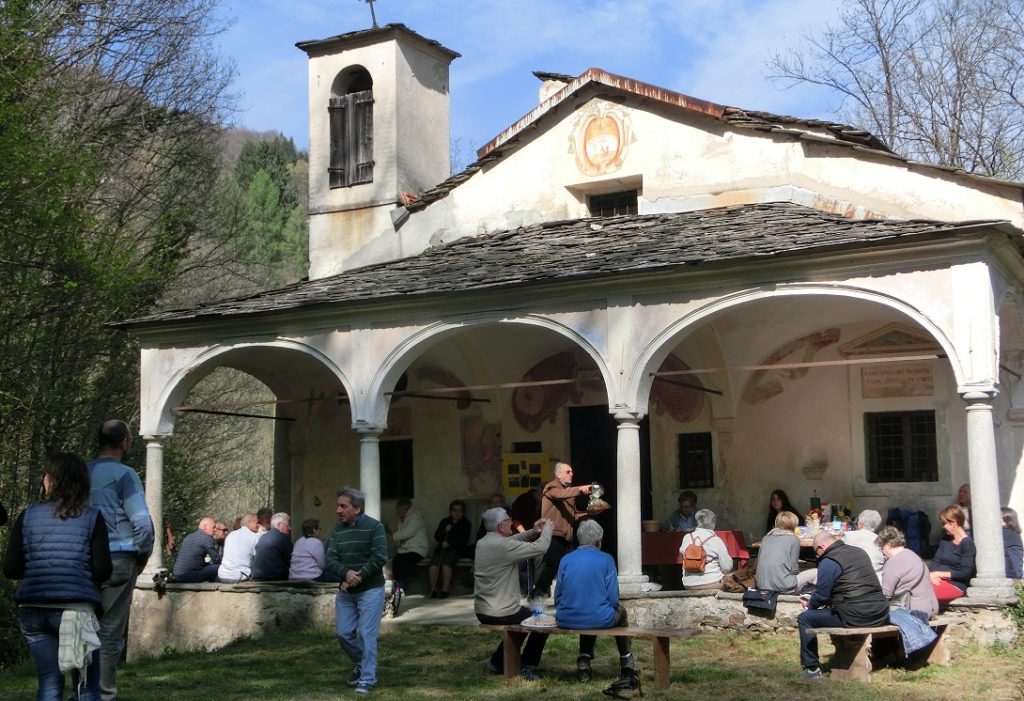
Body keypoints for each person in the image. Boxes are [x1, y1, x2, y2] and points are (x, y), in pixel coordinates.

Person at [3, 453, 112, 701]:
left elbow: (11, 569)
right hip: (77, 610)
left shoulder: (27, 515)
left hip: (34, 609)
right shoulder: (92, 517)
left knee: (49, 683)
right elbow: (103, 570)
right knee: (86, 685)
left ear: (50, 480)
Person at [87, 419, 154, 701]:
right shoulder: (125, 475)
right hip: (119, 559)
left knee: (82, 629)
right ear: (125, 442)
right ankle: (104, 694)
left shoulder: (81, 472)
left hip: (85, 561)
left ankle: (83, 691)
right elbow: (142, 524)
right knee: (110, 632)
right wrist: (142, 555)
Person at [554, 520, 640, 694]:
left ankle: (584, 663)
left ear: (579, 539)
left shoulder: (565, 559)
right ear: (599, 540)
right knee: (619, 612)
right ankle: (627, 662)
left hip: (566, 617)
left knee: (589, 613)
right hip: (597, 617)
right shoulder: (606, 559)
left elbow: (557, 595)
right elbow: (613, 598)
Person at [474, 507, 553, 681]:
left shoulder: (483, 542)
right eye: (508, 519)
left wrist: (533, 532)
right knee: (542, 622)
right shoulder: (503, 546)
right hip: (502, 612)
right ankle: (523, 664)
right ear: (501, 526)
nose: (511, 521)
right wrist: (548, 530)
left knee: (525, 618)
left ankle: (496, 662)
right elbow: (541, 548)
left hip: (482, 610)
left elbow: (512, 540)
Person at [797, 531, 889, 679]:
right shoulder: (859, 552)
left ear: (821, 547)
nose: (818, 556)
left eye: (816, 552)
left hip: (855, 615)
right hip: (880, 612)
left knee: (805, 618)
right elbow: (851, 585)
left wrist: (809, 605)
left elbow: (821, 596)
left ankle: (811, 668)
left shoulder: (829, 561)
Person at [325, 487, 388, 695]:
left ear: (357, 508)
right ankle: (362, 663)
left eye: (343, 506)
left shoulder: (375, 527)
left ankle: (367, 680)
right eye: (338, 506)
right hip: (346, 592)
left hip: (370, 590)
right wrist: (346, 574)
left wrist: (357, 577)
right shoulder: (338, 529)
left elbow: (379, 557)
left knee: (367, 634)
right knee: (343, 633)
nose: (338, 510)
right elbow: (330, 559)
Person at [531, 461, 592, 599]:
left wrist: (590, 512)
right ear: (559, 475)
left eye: (572, 472)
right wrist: (580, 489)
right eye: (568, 472)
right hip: (554, 535)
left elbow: (573, 514)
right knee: (551, 567)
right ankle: (536, 596)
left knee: (570, 567)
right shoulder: (551, 487)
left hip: (567, 537)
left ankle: (568, 596)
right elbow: (559, 494)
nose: (572, 474)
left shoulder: (568, 492)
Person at [878, 526, 938, 619]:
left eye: (882, 548)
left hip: (912, 611)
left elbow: (885, 595)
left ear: (888, 545)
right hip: (931, 608)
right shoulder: (915, 557)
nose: (882, 551)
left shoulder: (893, 563)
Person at [929, 504, 975, 604]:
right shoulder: (945, 540)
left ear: (953, 523)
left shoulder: (967, 543)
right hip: (936, 581)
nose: (943, 527)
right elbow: (935, 563)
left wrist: (937, 574)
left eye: (944, 523)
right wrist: (934, 577)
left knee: (925, 594)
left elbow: (965, 573)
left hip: (955, 585)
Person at [679, 509, 732, 590]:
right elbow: (727, 567)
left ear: (697, 523)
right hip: (712, 583)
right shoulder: (716, 540)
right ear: (713, 524)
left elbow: (682, 556)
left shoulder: (687, 537)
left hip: (688, 585)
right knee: (731, 578)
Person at [428, 499, 471, 598]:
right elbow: (437, 536)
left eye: (459, 510)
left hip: (456, 549)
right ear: (451, 511)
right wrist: (443, 538)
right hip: (442, 548)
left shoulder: (466, 523)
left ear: (463, 512)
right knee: (433, 565)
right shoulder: (445, 521)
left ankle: (445, 589)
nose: (457, 513)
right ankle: (433, 589)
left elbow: (463, 540)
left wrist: (450, 544)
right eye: (455, 510)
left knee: (446, 564)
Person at [755, 511, 800, 593]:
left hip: (761, 584)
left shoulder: (766, 538)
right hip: (783, 585)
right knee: (812, 574)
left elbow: (757, 563)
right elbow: (794, 568)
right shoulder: (794, 539)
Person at [390, 499, 428, 593]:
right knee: (396, 560)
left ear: (404, 508)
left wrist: (393, 537)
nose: (397, 512)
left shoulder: (416, 518)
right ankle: (396, 586)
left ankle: (400, 588)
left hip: (418, 550)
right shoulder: (403, 520)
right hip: (406, 550)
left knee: (403, 561)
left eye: (398, 510)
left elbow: (407, 533)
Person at [172, 516, 221, 583]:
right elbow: (216, 559)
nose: (215, 530)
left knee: (210, 567)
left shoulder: (189, 536)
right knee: (220, 567)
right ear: (205, 527)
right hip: (189, 575)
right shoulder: (207, 538)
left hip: (177, 575)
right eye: (213, 527)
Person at [842, 509, 884, 582]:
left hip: (850, 579)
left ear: (860, 524)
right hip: (875, 581)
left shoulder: (848, 536)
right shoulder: (881, 541)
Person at [218, 512, 260, 582]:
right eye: (257, 523)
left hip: (222, 575)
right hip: (240, 577)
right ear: (249, 522)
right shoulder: (255, 537)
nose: (259, 525)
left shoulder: (231, 534)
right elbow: (259, 560)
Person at [252, 512, 293, 581]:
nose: (290, 528)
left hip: (257, 578)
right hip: (275, 580)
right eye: (288, 525)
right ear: (280, 525)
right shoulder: (283, 538)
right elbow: (292, 560)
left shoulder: (263, 537)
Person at [1002, 507, 1023, 580]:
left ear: (1006, 519)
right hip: (1013, 574)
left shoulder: (1006, 533)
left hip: (1009, 575)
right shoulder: (1013, 532)